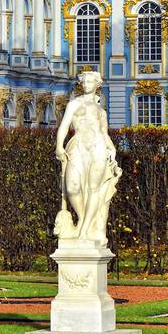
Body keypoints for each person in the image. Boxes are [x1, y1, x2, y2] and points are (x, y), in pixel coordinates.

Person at [54, 71, 122, 247]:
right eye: (83, 81)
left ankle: (84, 230)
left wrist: (113, 149)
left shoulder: (101, 111)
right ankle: (84, 220)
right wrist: (59, 146)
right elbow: (64, 126)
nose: (85, 84)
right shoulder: (74, 104)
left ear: (97, 84)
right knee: (72, 187)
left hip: (98, 146)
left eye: (90, 81)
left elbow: (104, 134)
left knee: (94, 189)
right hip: (77, 145)